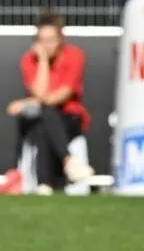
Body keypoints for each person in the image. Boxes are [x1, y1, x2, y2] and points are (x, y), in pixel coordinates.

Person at [6, 10, 94, 194]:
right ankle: (66, 164)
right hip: (44, 118)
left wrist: (26, 103)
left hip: (70, 118)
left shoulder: (75, 55)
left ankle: (45, 184)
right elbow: (40, 92)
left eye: (51, 40)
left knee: (44, 116)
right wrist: (44, 62)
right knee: (43, 121)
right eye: (42, 41)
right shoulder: (29, 60)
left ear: (61, 39)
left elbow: (60, 96)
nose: (46, 46)